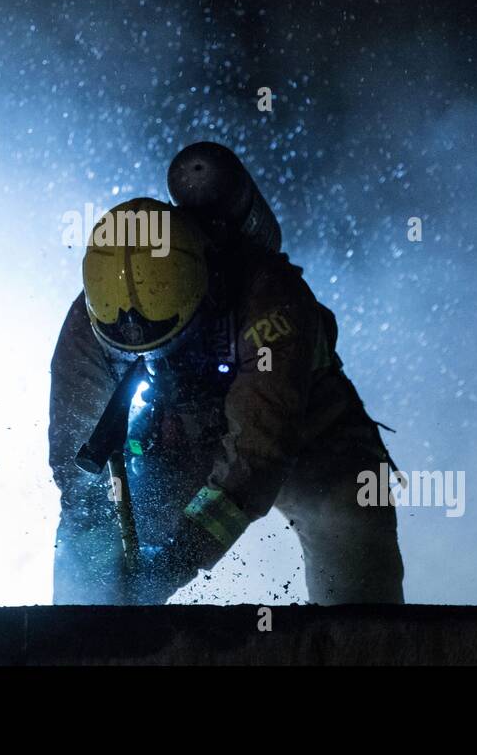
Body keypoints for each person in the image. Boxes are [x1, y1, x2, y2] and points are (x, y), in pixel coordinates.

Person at [48, 193, 404, 604]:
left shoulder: (270, 301)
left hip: (311, 436)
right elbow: (78, 471)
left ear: (205, 291)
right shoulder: (89, 322)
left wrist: (173, 562)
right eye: (131, 351)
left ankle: (365, 644)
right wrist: (96, 586)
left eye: (170, 343)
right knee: (92, 542)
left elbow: (256, 458)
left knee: (349, 511)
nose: (156, 361)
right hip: (179, 444)